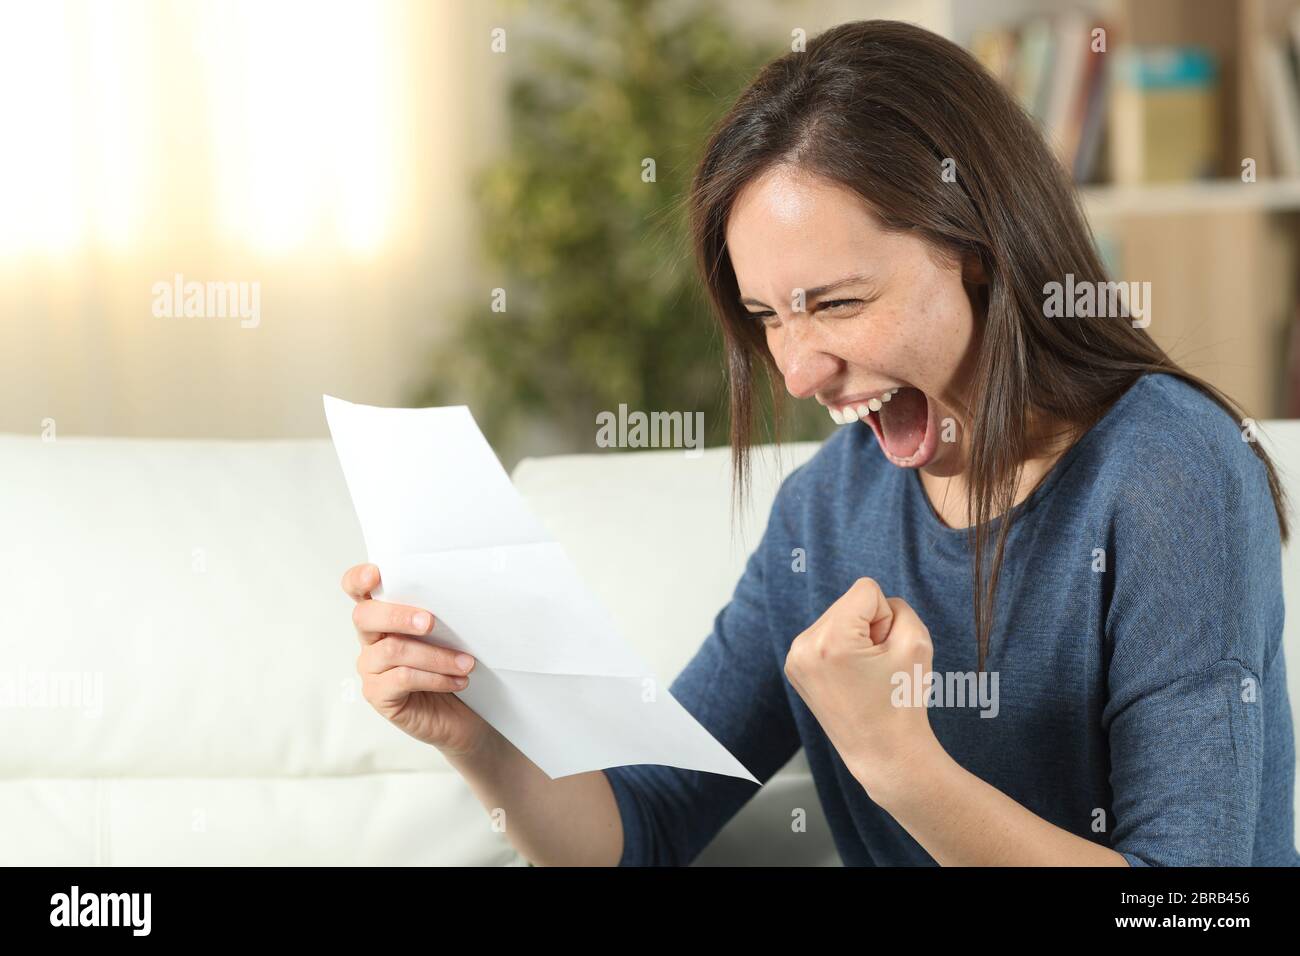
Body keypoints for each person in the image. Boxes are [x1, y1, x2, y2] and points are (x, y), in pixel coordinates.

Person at [341, 19, 1298, 866]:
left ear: (979, 247)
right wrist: (482, 737)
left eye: (836, 303)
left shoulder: (1171, 475)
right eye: (766, 317)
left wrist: (900, 765)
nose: (796, 374)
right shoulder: (826, 509)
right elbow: (646, 829)